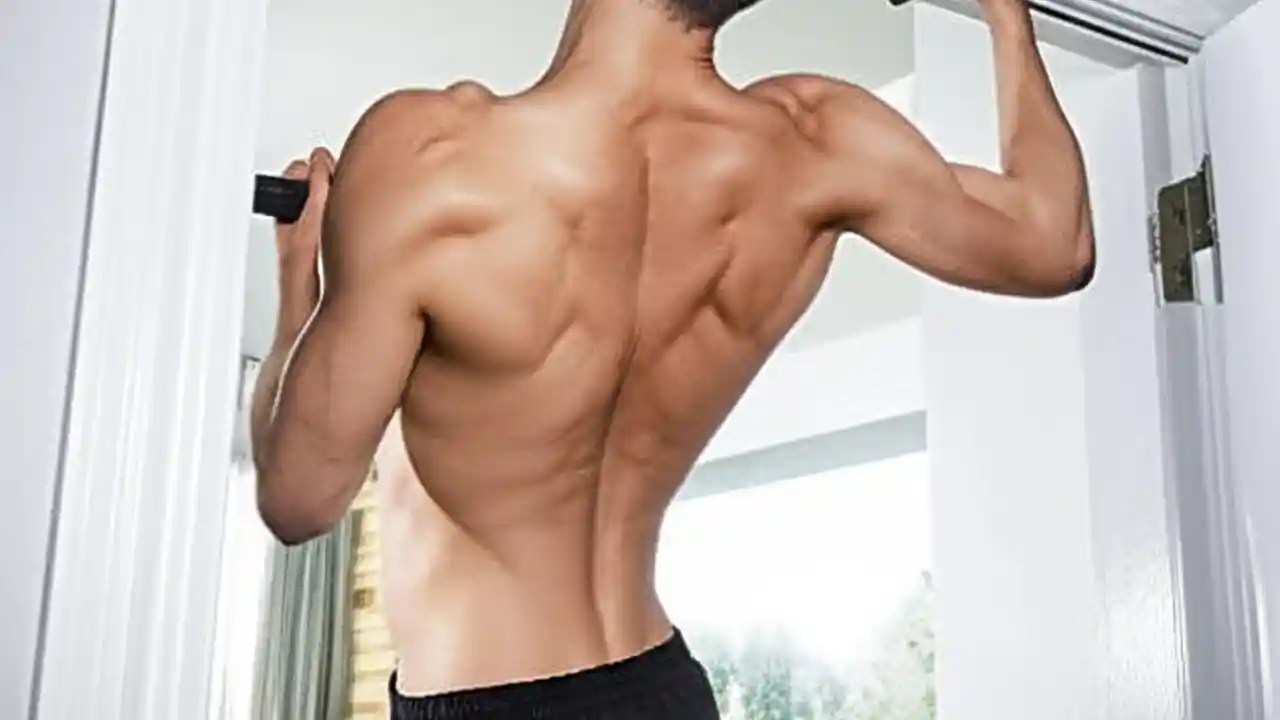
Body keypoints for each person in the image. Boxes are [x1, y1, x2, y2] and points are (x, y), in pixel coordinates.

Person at [251, 0, 1094, 717]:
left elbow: (298, 500)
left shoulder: (428, 156)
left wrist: (302, 294)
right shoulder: (813, 146)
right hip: (662, 689)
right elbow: (1055, 243)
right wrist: (1006, 15)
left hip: (486, 694)